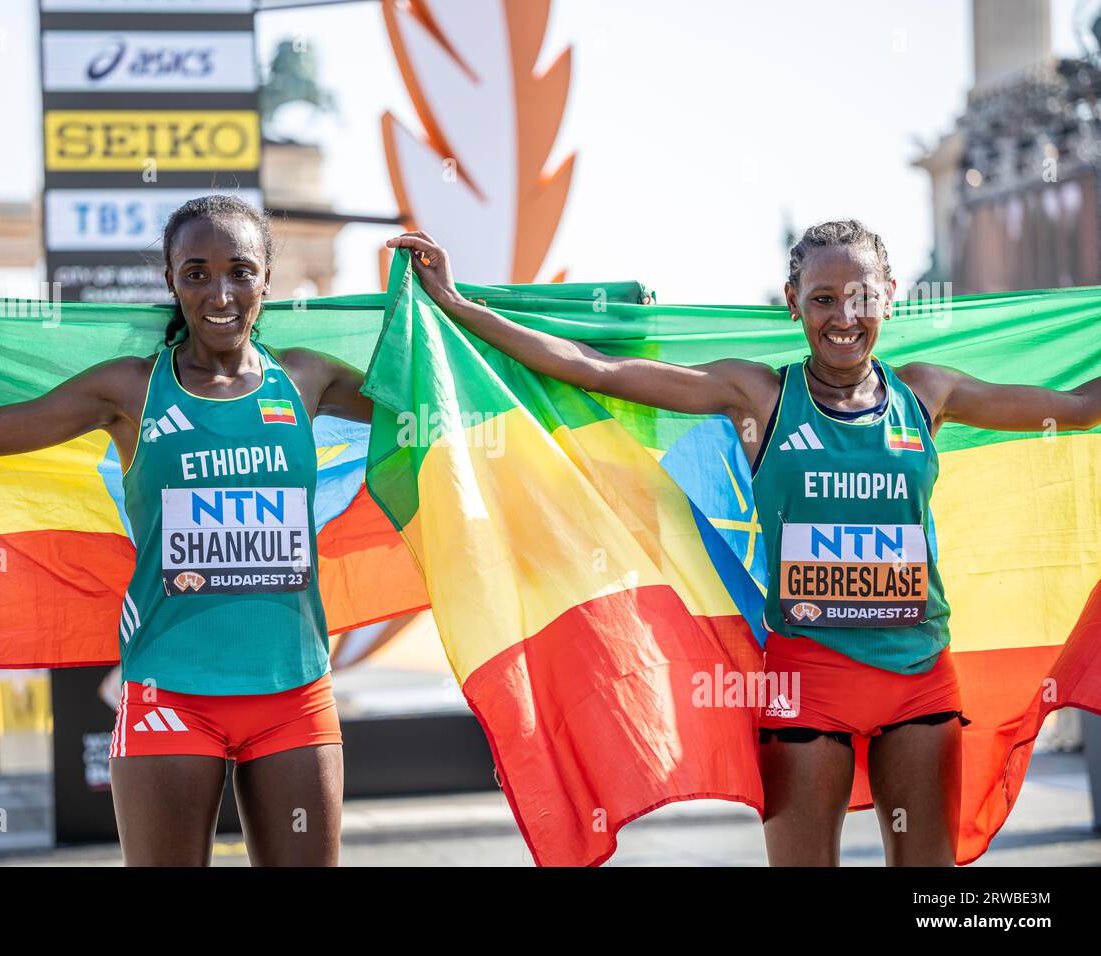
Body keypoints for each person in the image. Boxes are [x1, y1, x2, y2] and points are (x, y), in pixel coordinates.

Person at [386, 220, 1101, 866]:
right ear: (794, 301)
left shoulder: (926, 395)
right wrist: (457, 306)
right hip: (806, 685)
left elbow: (1075, 409)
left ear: (888, 299)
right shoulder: (759, 397)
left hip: (920, 680)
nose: (844, 317)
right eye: (823, 298)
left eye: (861, 297)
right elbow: (597, 370)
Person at [0, 195, 372, 866]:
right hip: (171, 697)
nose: (220, 292)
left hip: (294, 696)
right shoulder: (128, 391)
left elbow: (434, 404)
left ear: (266, 279)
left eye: (239, 271)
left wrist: (449, 308)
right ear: (170, 281)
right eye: (196, 272)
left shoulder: (306, 379)